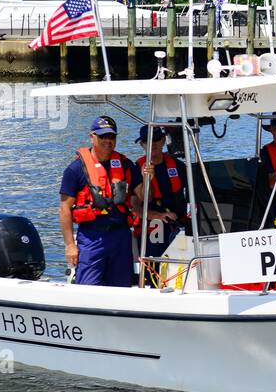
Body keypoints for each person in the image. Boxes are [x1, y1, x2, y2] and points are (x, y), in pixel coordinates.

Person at [59, 116, 145, 286]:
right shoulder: (75, 169)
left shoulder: (126, 165)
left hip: (120, 236)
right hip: (92, 237)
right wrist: (70, 245)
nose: (108, 140)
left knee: (121, 288)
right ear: (92, 137)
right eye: (103, 136)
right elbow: (64, 209)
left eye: (111, 136)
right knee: (87, 289)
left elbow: (142, 197)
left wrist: (148, 177)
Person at [131, 124, 188, 260]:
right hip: (153, 227)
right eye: (147, 141)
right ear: (142, 145)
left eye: (156, 139)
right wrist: (159, 216)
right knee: (155, 268)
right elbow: (136, 207)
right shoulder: (136, 169)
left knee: (181, 264)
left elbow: (193, 195)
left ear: (163, 141)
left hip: (178, 226)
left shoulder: (179, 166)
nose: (153, 144)